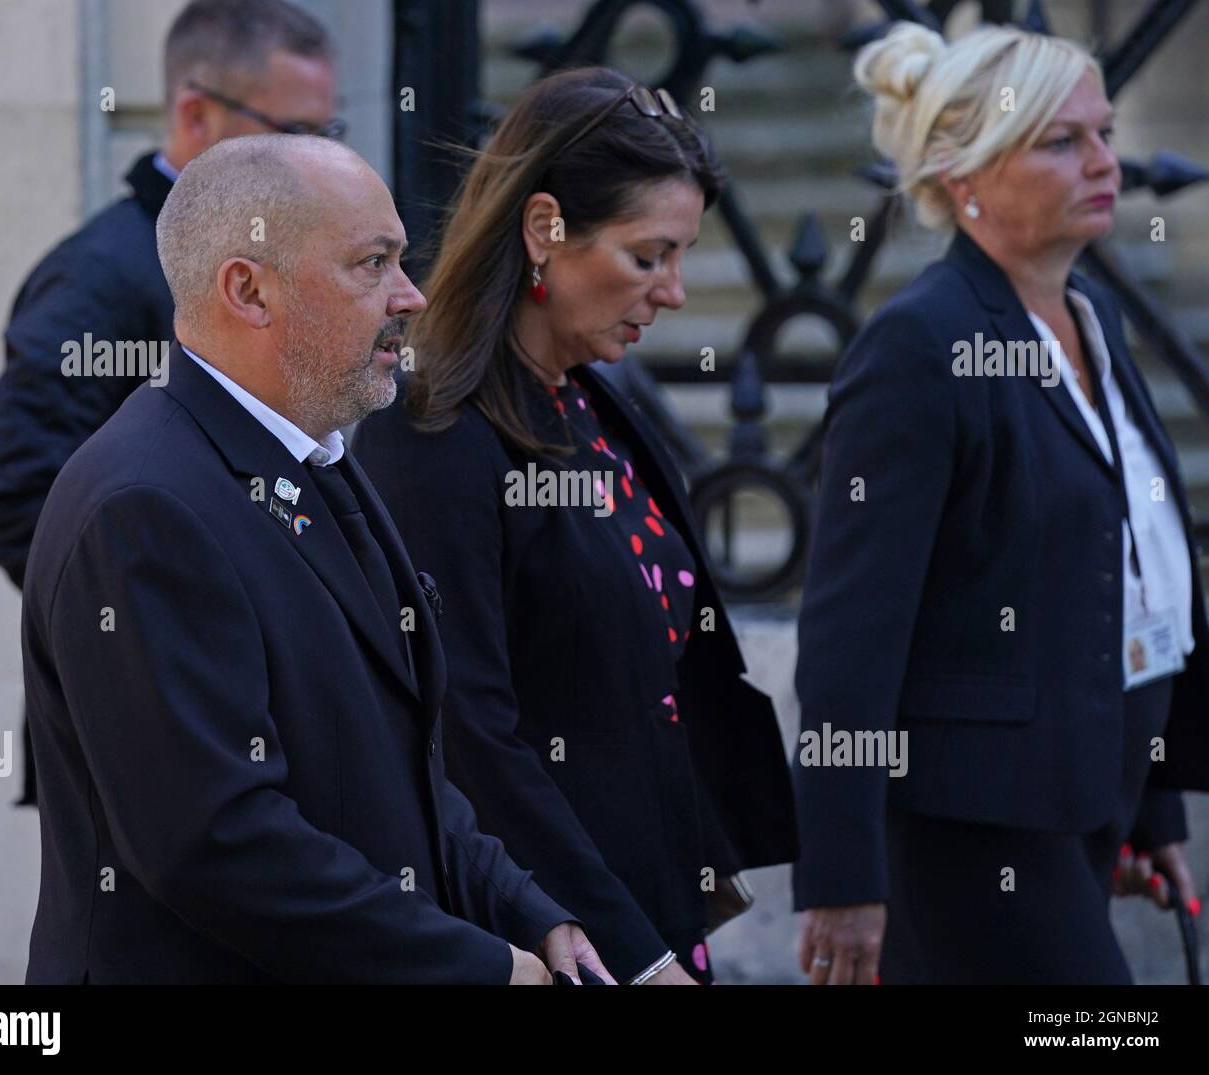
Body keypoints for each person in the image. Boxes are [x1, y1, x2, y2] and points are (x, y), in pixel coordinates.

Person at [22, 134, 605, 984]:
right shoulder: (143, 508)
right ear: (249, 291)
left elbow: (398, 770)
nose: (411, 296)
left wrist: (527, 911)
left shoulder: (315, 453)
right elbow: (219, 845)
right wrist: (483, 967)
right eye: (373, 264)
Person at [355, 66, 798, 985]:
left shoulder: (595, 403)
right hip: (547, 937)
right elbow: (469, 735)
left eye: (680, 258)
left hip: (655, 904)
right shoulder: (433, 433)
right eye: (649, 256)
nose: (673, 292)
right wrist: (626, 956)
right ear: (544, 229)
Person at [793, 22, 1209, 985]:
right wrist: (844, 875)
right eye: (1062, 142)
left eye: (1104, 134)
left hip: (1086, 803)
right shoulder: (919, 346)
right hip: (971, 831)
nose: (1106, 162)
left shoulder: (1084, 318)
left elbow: (1128, 571)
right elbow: (852, 636)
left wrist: (1152, 807)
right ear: (962, 172)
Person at [0, 0, 342, 806]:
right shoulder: (104, 273)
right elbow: (10, 487)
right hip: (159, 740)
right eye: (291, 135)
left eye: (329, 135)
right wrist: (173, 629)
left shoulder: (252, 257)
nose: (316, 163)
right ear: (195, 113)